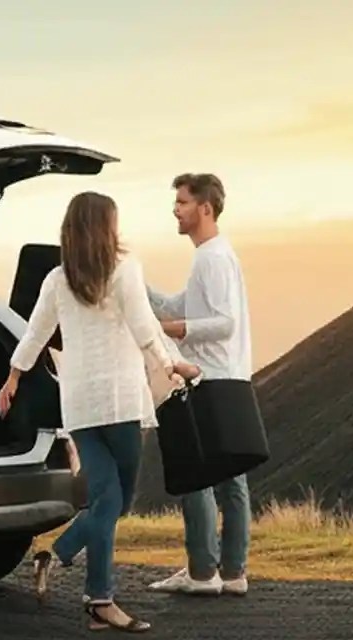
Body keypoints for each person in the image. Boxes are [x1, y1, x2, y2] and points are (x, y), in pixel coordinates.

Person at [0, 190, 199, 633]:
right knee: (115, 501)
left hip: (82, 407)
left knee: (109, 500)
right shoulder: (124, 271)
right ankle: (99, 599)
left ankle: (59, 553)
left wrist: (13, 376)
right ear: (108, 228)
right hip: (121, 401)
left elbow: (35, 335)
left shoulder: (56, 280)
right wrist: (172, 365)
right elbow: (144, 328)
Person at [145, 172, 254, 597]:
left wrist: (169, 330)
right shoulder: (215, 255)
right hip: (230, 375)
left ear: (205, 208)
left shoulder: (211, 257)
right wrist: (140, 290)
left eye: (184, 202)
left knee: (197, 475)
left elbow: (223, 324)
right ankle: (232, 572)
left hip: (209, 376)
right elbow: (183, 306)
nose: (176, 209)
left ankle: (202, 571)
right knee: (231, 479)